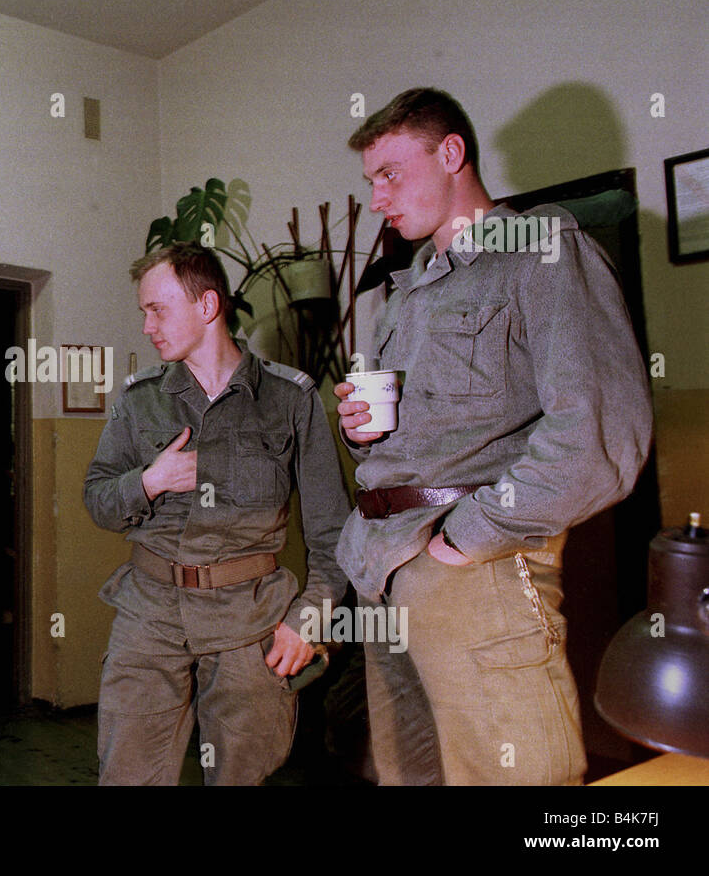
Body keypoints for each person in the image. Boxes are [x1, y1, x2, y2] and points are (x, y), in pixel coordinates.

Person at [334, 88, 652, 785]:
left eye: (390, 173)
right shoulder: (404, 295)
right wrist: (363, 432)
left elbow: (600, 433)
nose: (378, 196)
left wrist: (467, 538)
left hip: (471, 571)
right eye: (370, 182)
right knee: (409, 777)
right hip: (384, 571)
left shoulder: (540, 249)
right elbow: (409, 441)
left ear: (451, 153)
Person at [84, 242, 350, 785]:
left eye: (156, 309)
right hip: (148, 615)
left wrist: (308, 619)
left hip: (250, 622)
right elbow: (98, 499)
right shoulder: (140, 400)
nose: (146, 326)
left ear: (207, 307)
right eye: (144, 312)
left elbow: (333, 532)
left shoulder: (290, 399)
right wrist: (150, 482)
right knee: (126, 775)